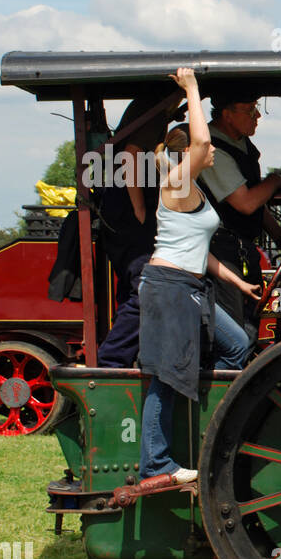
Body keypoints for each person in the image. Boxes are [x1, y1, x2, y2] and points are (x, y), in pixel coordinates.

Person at [138, 68, 258, 485]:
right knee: (167, 373)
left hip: (193, 285)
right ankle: (157, 465)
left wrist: (237, 282)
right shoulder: (176, 180)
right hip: (169, 288)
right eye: (204, 150)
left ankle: (210, 432)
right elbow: (204, 140)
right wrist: (191, 89)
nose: (211, 153)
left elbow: (199, 251)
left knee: (237, 344)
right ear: (190, 152)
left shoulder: (194, 191)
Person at [196, 86, 281, 342]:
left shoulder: (241, 144)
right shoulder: (212, 150)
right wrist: (274, 182)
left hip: (242, 251)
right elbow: (246, 203)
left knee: (250, 328)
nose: (257, 117)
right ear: (227, 115)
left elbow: (255, 204)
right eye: (251, 111)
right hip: (220, 253)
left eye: (256, 109)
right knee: (234, 335)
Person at [97, 89, 186, 367]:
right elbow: (131, 155)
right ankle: (111, 361)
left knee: (135, 288)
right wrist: (139, 208)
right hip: (127, 211)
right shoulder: (152, 108)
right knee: (145, 288)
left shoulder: (152, 111)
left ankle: (131, 358)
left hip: (119, 210)